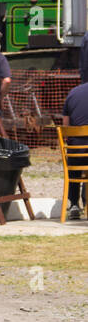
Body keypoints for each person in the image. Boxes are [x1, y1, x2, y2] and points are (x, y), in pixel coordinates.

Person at [62, 81, 88, 220]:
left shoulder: (73, 93)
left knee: (75, 156)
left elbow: (66, 126)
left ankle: (74, 204)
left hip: (76, 152)